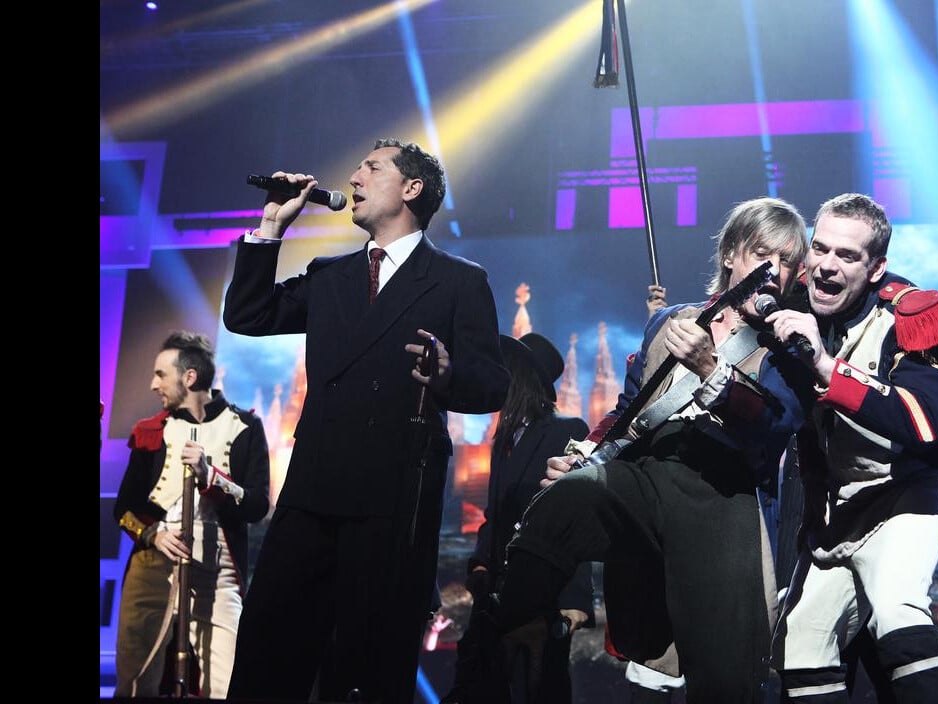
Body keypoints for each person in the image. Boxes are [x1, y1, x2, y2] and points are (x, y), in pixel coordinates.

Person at [223, 138, 510, 703]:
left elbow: (493, 385)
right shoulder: (331, 275)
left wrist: (448, 376)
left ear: (411, 189)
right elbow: (248, 315)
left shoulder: (457, 280)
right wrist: (271, 227)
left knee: (367, 665)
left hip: (394, 498)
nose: (353, 176)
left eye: (371, 167)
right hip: (312, 492)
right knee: (270, 650)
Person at [494, 196, 811, 703]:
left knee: (727, 677)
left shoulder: (790, 345)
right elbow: (628, 410)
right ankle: (508, 632)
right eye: (761, 255)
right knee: (566, 498)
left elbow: (775, 427)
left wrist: (713, 371)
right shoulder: (669, 322)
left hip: (721, 500)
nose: (774, 272)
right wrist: (585, 457)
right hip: (647, 478)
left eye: (788, 263)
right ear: (731, 254)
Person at [768, 193, 938, 703]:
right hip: (847, 504)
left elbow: (921, 422)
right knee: (801, 640)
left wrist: (827, 368)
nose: (827, 267)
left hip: (918, 485)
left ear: (877, 268)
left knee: (897, 607)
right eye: (821, 249)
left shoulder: (912, 315)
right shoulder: (794, 308)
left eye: (848, 256)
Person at [113, 331, 270, 697]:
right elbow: (124, 509)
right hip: (153, 565)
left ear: (190, 377)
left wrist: (211, 476)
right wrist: (154, 535)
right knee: (136, 680)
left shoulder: (245, 427)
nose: (153, 385)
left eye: (160, 375)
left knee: (227, 682)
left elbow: (257, 506)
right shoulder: (150, 431)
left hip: (217, 571)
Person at [441, 333, 594, 704]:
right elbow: (495, 513)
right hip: (495, 594)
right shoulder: (503, 438)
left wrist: (574, 602)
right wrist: (479, 564)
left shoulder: (566, 430)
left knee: (540, 689)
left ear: (520, 377)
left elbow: (577, 516)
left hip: (543, 594)